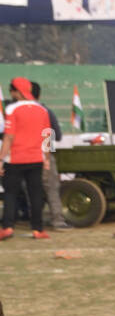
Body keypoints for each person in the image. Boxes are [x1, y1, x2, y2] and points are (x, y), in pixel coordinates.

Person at [1, 77, 52, 240]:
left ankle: (8, 227)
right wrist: (47, 158)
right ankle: (38, 230)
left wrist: (1, 159)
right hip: (36, 158)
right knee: (36, 194)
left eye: (11, 90)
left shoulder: (12, 109)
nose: (10, 93)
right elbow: (48, 135)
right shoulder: (42, 110)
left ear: (17, 91)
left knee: (10, 193)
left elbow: (8, 137)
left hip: (15, 159)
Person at [30, 81, 68, 229]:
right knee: (51, 188)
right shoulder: (46, 111)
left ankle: (34, 221)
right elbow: (56, 135)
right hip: (44, 154)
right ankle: (57, 220)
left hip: (24, 156)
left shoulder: (15, 110)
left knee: (30, 189)